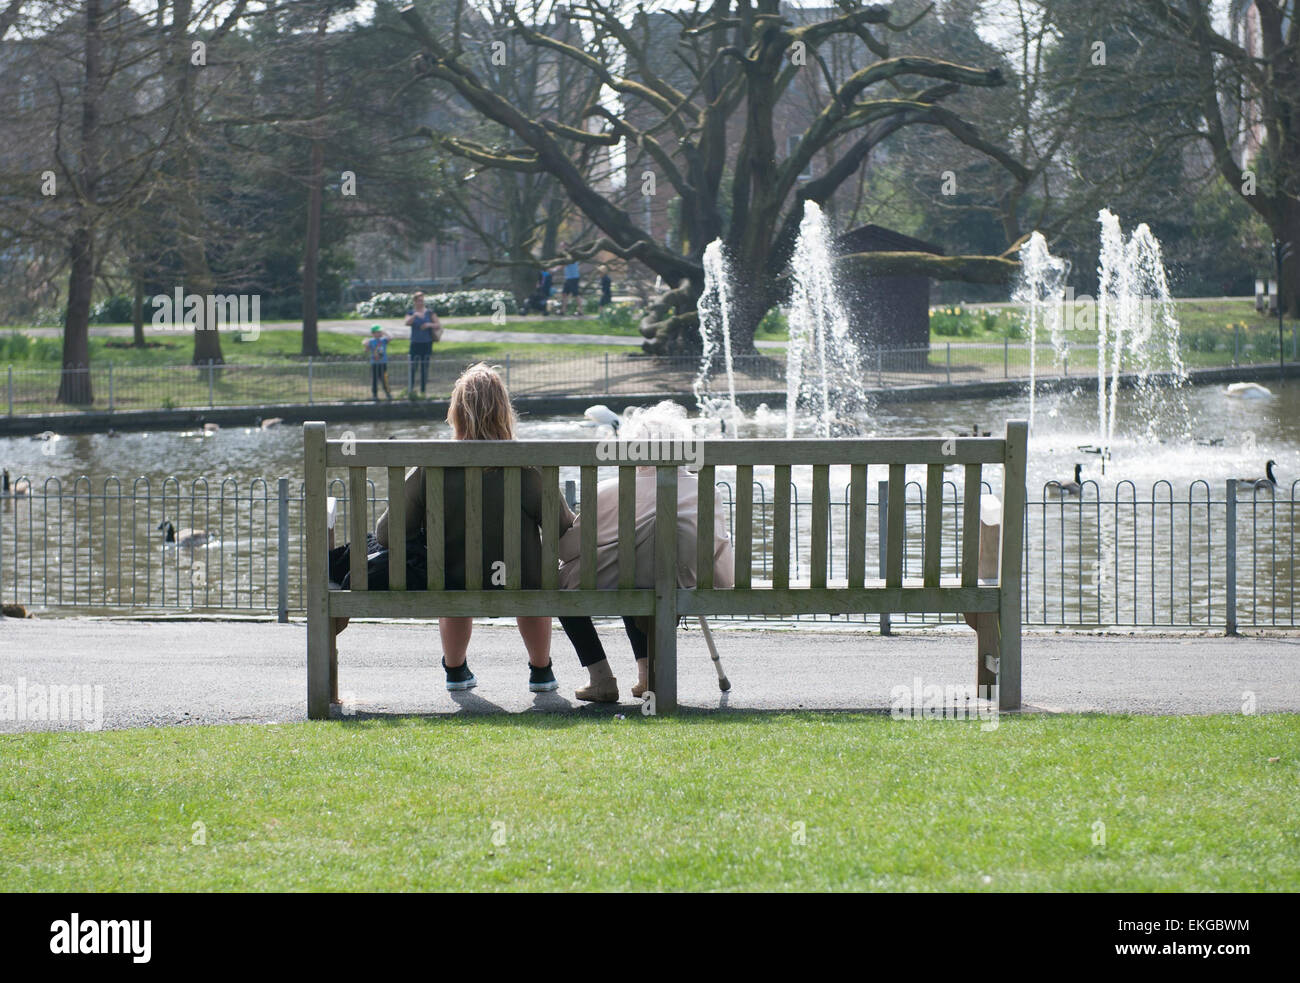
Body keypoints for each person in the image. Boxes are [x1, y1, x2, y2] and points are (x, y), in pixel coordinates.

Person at [375, 363, 571, 693]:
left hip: (452, 578)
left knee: (454, 580)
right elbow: (563, 527)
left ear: (456, 412)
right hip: (519, 580)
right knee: (531, 581)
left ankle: (455, 670)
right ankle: (541, 671)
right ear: (504, 411)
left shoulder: (431, 465)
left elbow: (386, 533)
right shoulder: (527, 466)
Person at [557, 402, 735, 702]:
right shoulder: (707, 491)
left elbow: (567, 549)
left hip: (626, 577)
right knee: (652, 569)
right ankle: (647, 675)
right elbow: (718, 547)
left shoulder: (612, 489)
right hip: (679, 582)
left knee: (602, 573)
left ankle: (601, 677)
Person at [404, 291, 441, 396]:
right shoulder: (411, 313)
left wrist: (428, 324)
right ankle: (410, 390)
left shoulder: (429, 312)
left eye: (422, 300)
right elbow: (407, 322)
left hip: (427, 343)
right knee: (413, 367)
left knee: (424, 367)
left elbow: (437, 324)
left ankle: (423, 391)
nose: (421, 303)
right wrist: (415, 315)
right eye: (419, 301)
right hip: (415, 343)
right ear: (415, 301)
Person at [364, 324, 392, 400]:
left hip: (383, 363)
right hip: (375, 363)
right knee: (375, 379)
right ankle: (375, 395)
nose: (379, 333)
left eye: (380, 332)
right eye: (377, 332)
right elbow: (366, 351)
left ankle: (388, 393)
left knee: (385, 378)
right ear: (373, 333)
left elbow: (390, 338)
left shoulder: (383, 340)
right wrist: (366, 345)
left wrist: (384, 332)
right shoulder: (371, 341)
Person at [561, 243, 581, 315]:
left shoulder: (571, 255)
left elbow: (564, 264)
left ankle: (580, 311)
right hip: (568, 278)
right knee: (564, 294)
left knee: (576, 294)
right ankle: (563, 310)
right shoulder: (565, 255)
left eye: (563, 246)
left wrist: (554, 269)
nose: (562, 248)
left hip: (573, 277)